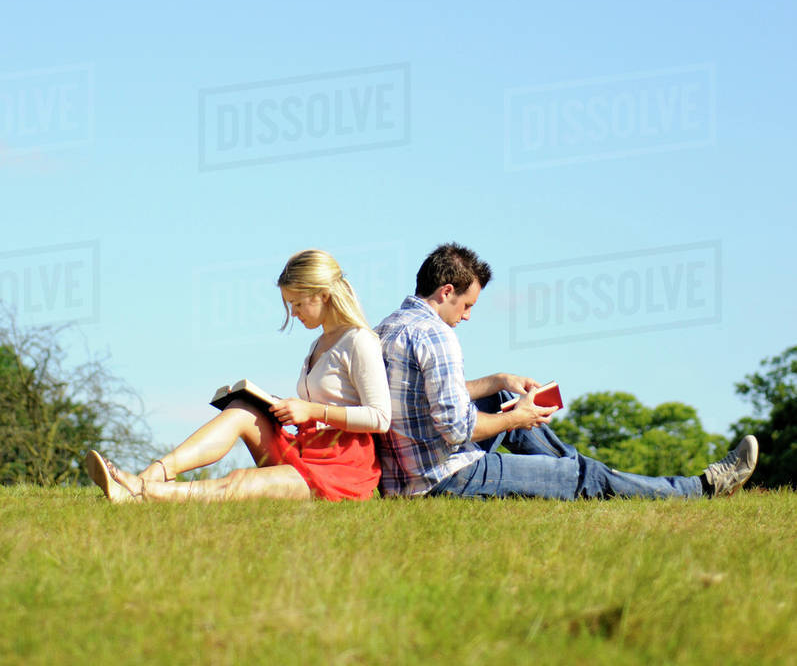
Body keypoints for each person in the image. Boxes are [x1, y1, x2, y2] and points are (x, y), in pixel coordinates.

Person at [375, 242, 758, 501]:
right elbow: (458, 429)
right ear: (446, 291)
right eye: (467, 305)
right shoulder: (439, 337)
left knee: (502, 397)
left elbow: (424, 399)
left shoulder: (387, 328)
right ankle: (699, 488)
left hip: (405, 475)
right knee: (581, 476)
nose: (468, 316)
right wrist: (517, 420)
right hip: (445, 478)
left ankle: (571, 467)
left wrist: (497, 381)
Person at [85, 249, 391, 503]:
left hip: (342, 466)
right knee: (243, 411)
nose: (294, 312)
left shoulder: (359, 341)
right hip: (307, 446)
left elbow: (380, 418)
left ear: (323, 295)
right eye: (290, 304)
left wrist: (311, 410)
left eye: (297, 303)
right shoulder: (318, 343)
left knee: (242, 481)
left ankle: (140, 493)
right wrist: (281, 407)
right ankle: (153, 474)